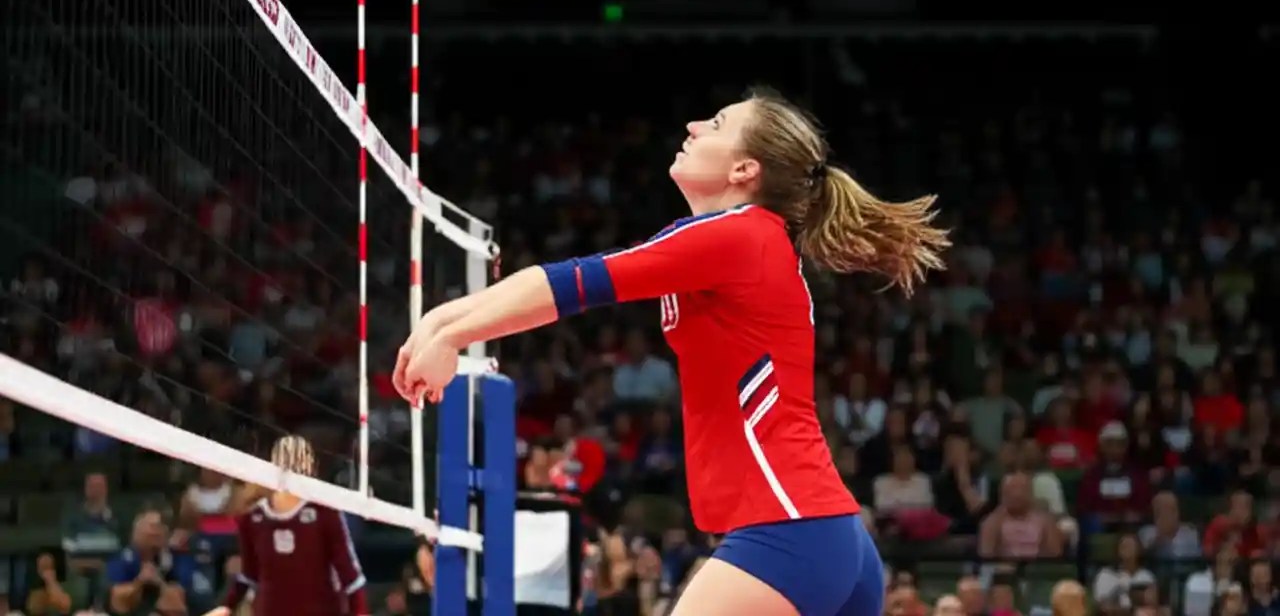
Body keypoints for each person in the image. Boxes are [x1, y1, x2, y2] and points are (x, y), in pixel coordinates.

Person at [395, 88, 948, 616]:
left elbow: (574, 282)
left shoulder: (740, 236)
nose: (693, 126)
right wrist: (442, 322)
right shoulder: (741, 240)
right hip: (823, 532)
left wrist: (449, 333)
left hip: (787, 530)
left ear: (744, 170)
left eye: (717, 123)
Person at [202, 435, 368, 616]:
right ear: (274, 465)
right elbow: (249, 574)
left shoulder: (325, 513)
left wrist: (359, 612)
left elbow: (351, 578)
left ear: (310, 466)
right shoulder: (253, 518)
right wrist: (227, 606)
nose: (292, 467)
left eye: (299, 461)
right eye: (286, 460)